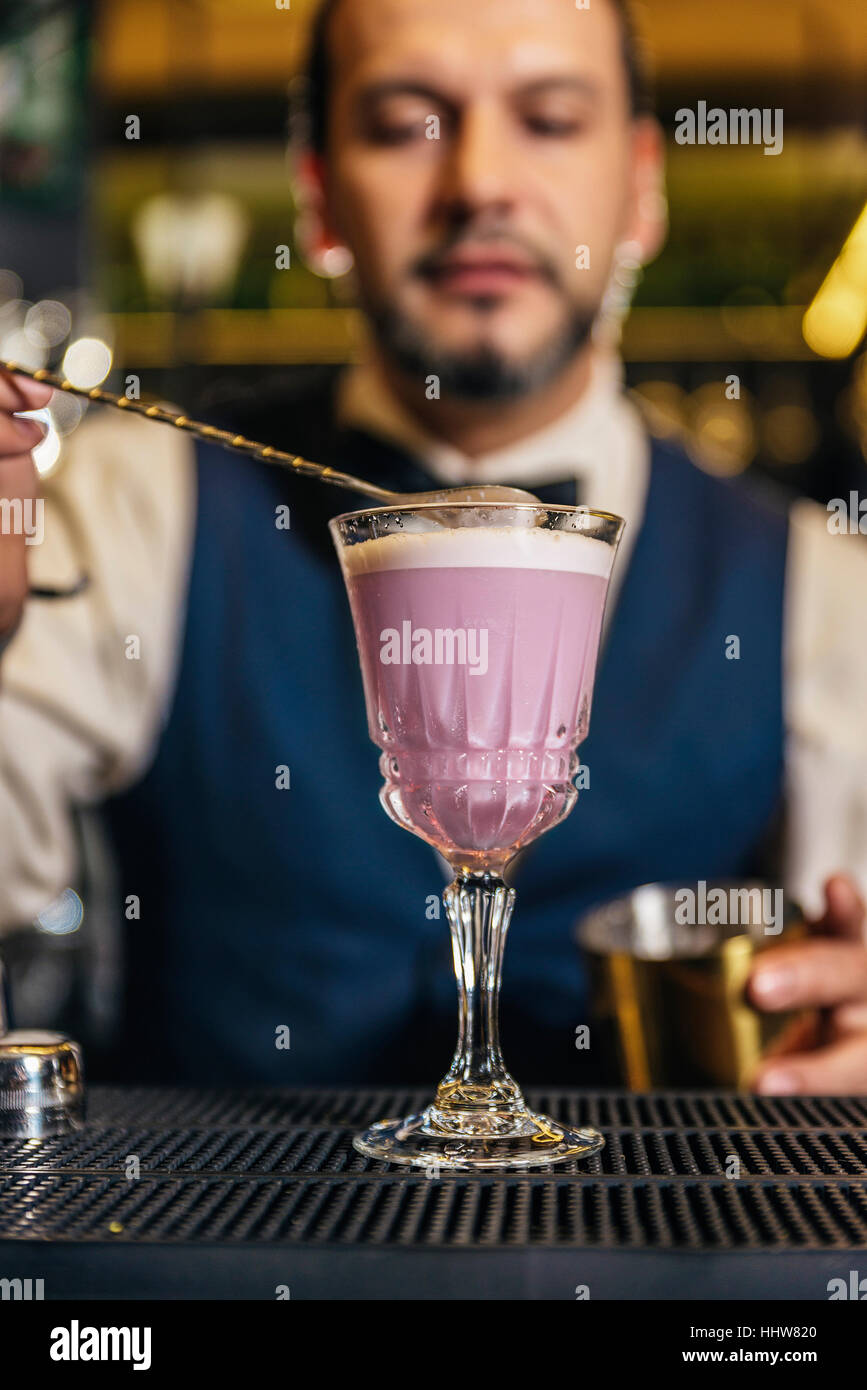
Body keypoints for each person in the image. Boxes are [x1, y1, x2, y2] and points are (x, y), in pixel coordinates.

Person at [1, 0, 866, 1091]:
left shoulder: (818, 587)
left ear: (644, 186)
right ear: (317, 195)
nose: (481, 184)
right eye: (408, 123)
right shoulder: (137, 500)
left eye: (549, 118)